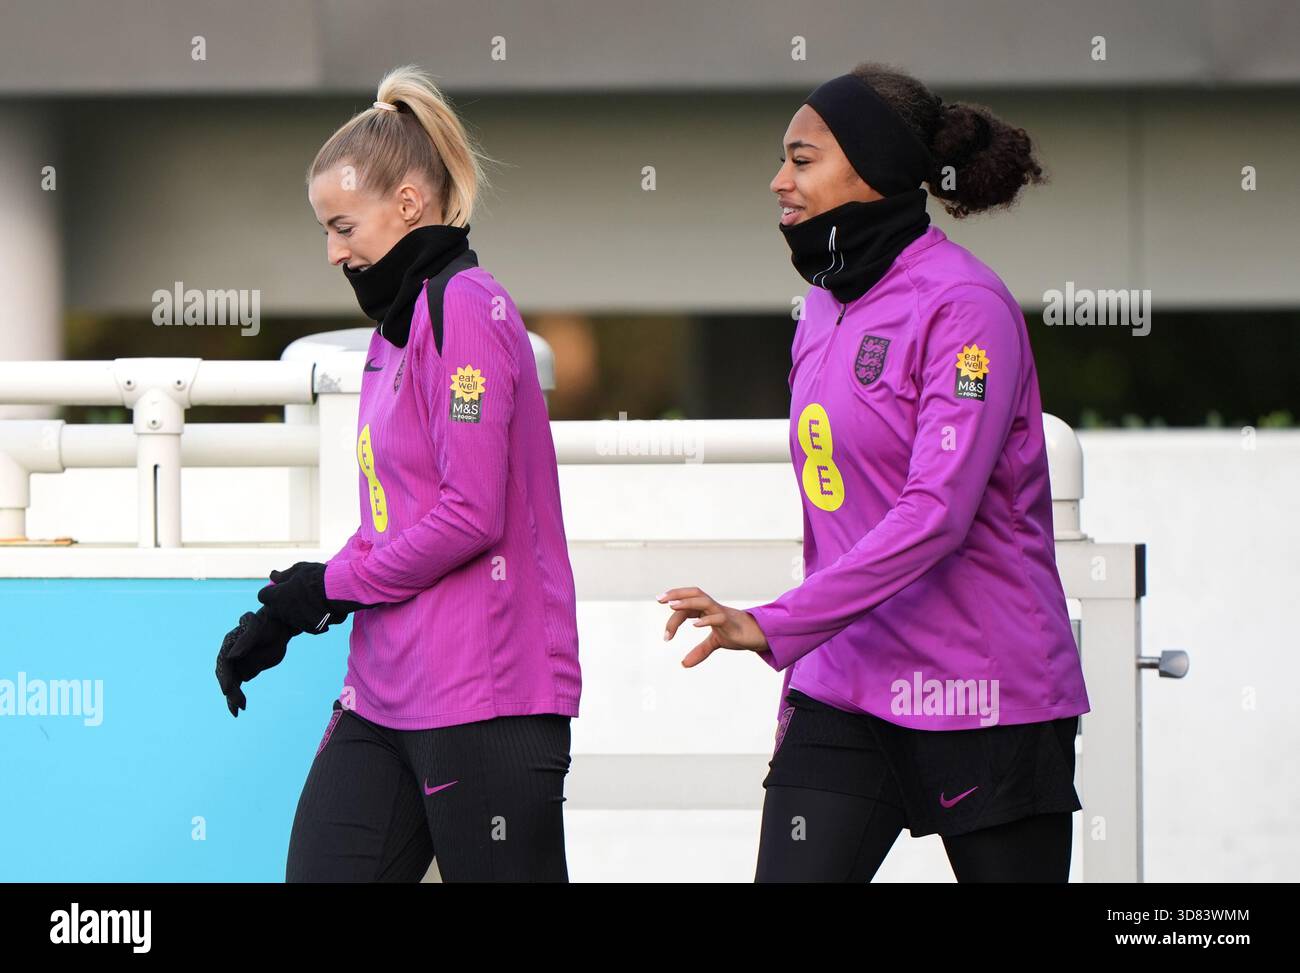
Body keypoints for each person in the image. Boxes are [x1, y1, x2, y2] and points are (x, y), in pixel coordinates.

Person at [658, 62, 1090, 882]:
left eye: (802, 158)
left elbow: (936, 512)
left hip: (981, 692)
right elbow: (837, 505)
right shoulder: (823, 302)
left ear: (875, 168)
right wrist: (805, 654)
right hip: (844, 686)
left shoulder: (967, 306)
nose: (778, 180)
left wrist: (777, 622)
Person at [216, 64, 581, 882]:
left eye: (342, 225)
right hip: (382, 699)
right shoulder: (396, 329)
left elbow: (469, 514)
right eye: (325, 230)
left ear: (408, 205)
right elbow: (395, 520)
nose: (333, 250)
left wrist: (331, 588)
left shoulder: (470, 306)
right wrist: (290, 607)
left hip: (487, 703)